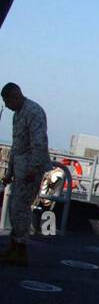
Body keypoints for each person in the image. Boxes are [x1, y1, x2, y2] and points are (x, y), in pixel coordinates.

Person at [1, 82, 52, 265]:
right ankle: (14, 246)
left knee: (20, 208)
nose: (6, 106)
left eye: (7, 102)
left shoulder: (33, 112)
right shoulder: (18, 115)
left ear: (15, 96)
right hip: (21, 170)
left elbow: (38, 142)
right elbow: (16, 147)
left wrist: (33, 168)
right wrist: (10, 172)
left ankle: (20, 249)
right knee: (14, 208)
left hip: (30, 170)